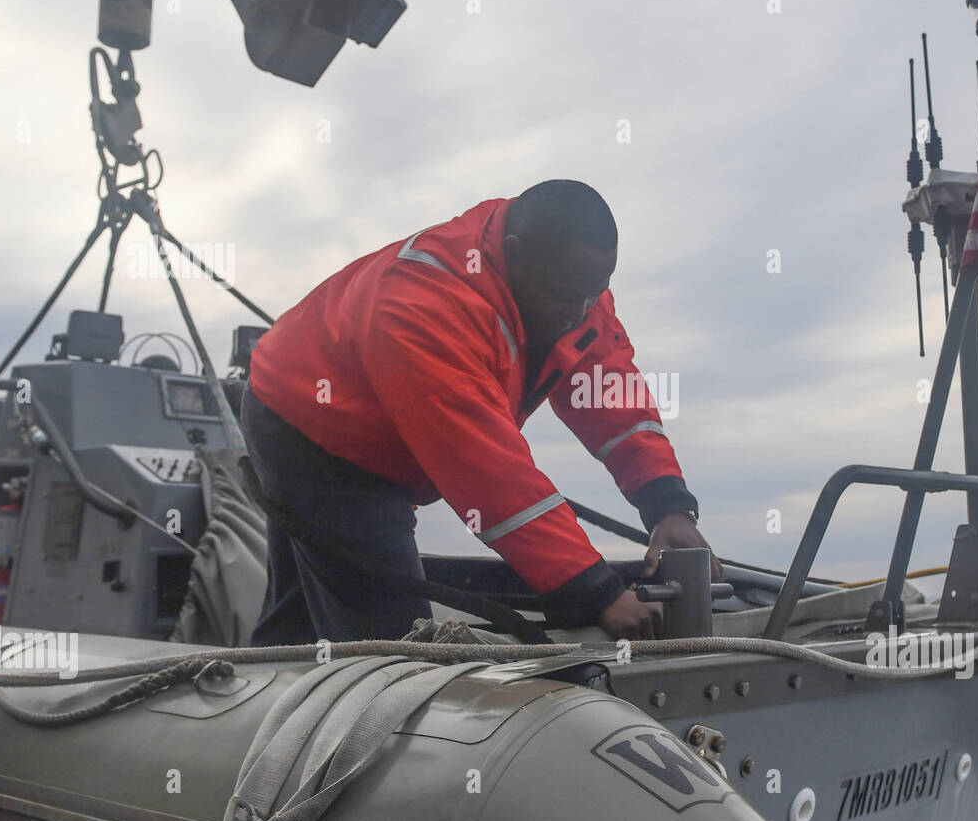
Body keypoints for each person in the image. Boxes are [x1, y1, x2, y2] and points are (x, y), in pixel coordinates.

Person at [242, 179, 720, 644]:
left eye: (594, 292)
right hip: (312, 432)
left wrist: (668, 506)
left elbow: (610, 396)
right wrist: (595, 593)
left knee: (300, 625)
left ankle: (260, 692)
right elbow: (487, 473)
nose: (578, 313)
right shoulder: (421, 304)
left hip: (371, 436)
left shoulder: (574, 286)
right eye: (564, 295)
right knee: (390, 642)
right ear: (513, 252)